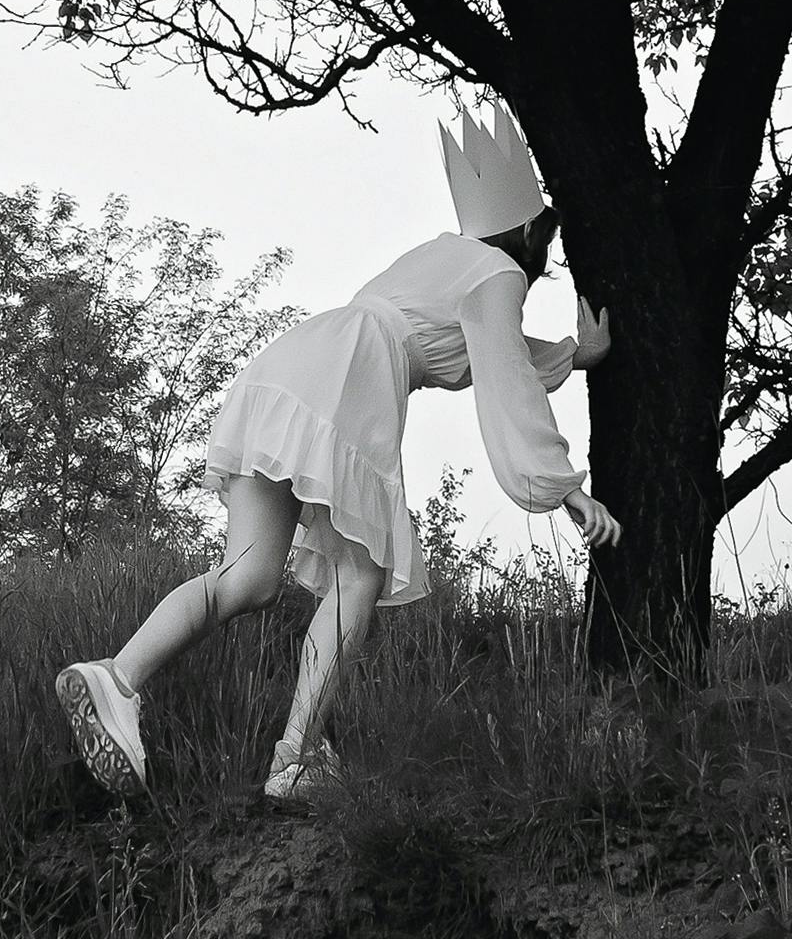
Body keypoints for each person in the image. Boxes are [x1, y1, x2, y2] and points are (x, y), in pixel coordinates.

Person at [55, 100, 620, 805]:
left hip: (291, 368)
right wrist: (563, 487)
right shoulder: (497, 274)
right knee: (361, 574)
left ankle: (117, 676)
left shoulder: (442, 258)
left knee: (247, 578)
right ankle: (293, 759)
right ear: (531, 232)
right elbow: (505, 375)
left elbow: (490, 348)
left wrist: (576, 355)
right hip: (353, 380)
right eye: (547, 242)